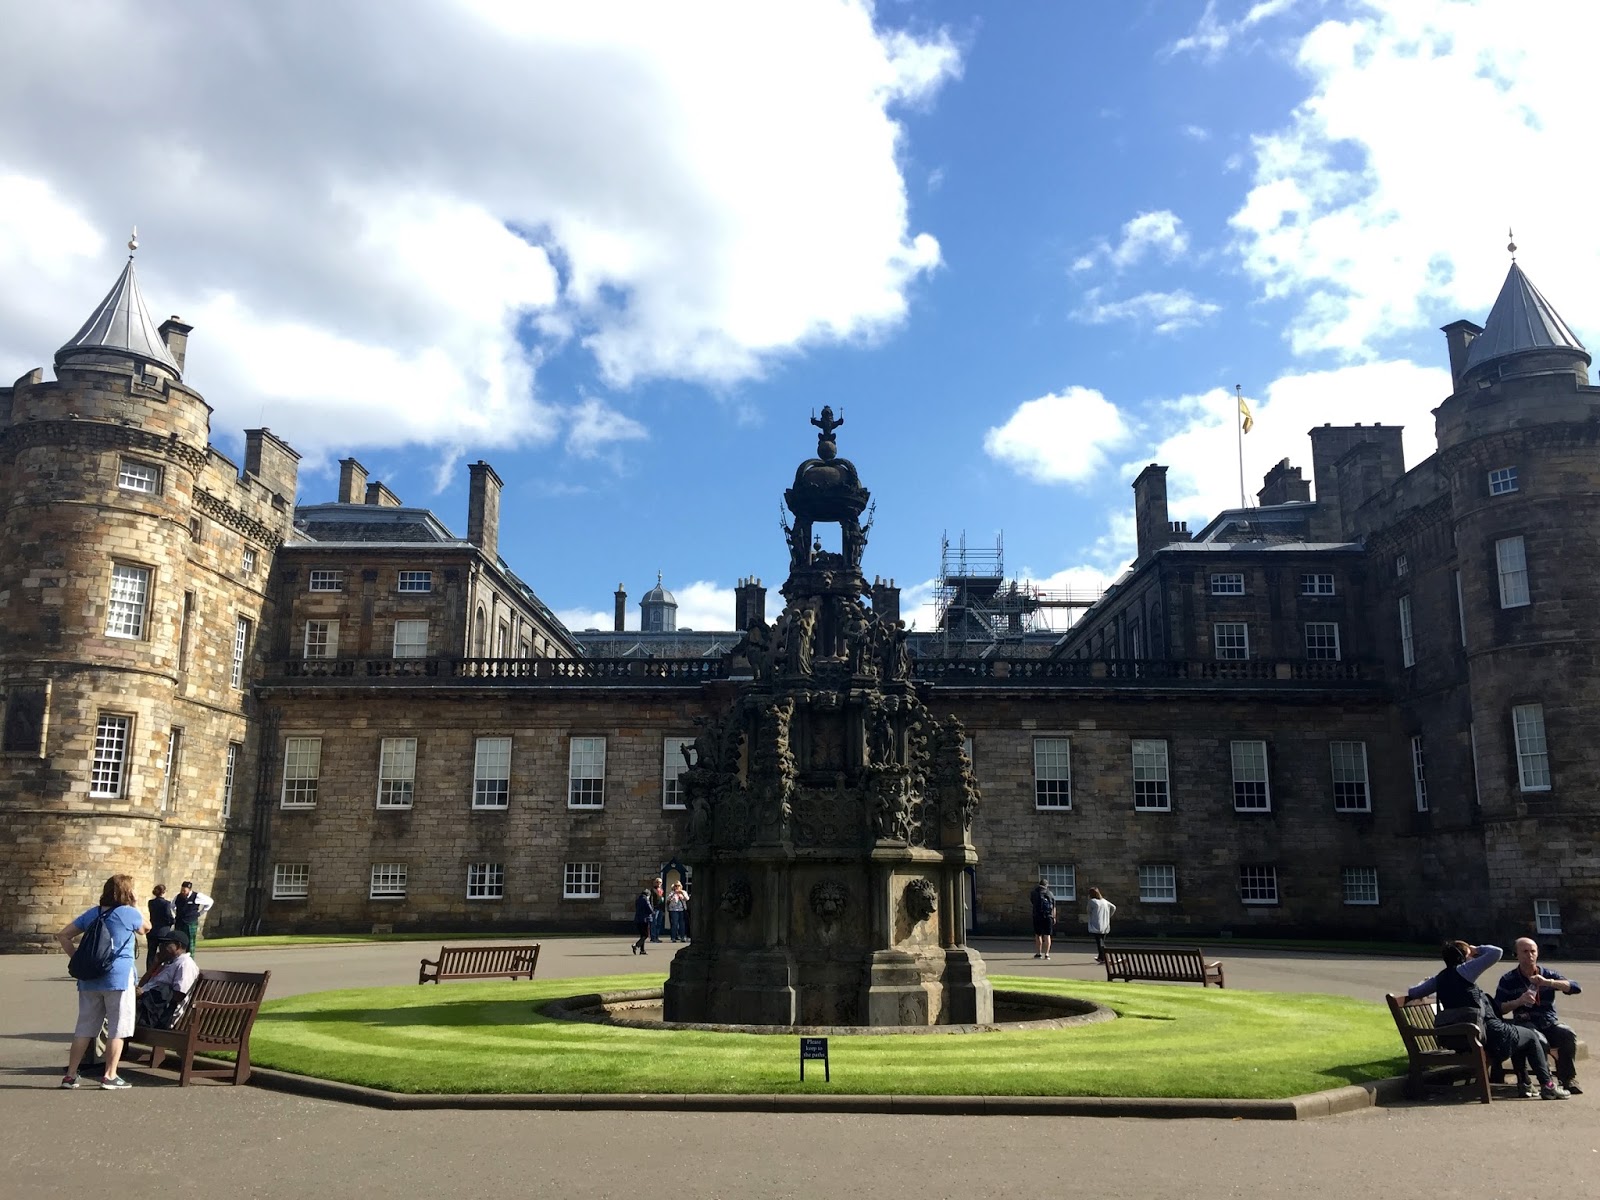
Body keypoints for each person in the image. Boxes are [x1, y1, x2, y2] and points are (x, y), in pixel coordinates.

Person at [1396, 940, 1568, 1099]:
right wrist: (1475, 949)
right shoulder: (1465, 970)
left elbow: (1413, 993)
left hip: (1459, 1037)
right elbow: (1496, 952)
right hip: (1488, 1035)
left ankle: (1526, 1084)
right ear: (1464, 956)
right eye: (1469, 954)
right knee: (1530, 1035)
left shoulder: (1439, 979)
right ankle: (1548, 1085)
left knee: (1520, 1032)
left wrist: (1422, 983)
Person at [56, 873, 150, 1090]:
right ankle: (110, 1075)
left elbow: (63, 935)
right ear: (128, 892)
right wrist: (136, 904)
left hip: (89, 979)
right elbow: (146, 928)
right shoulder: (127, 913)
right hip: (118, 977)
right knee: (118, 1028)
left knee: (85, 1028)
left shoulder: (93, 913)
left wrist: (79, 960)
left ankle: (70, 1075)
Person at [1494, 936, 1583, 1094]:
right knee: (1538, 1039)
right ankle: (1546, 1081)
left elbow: (1575, 987)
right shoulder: (1508, 979)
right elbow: (1498, 1008)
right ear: (1516, 954)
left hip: (1548, 1022)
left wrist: (1548, 982)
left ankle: (1568, 1078)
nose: (1529, 955)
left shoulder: (1547, 973)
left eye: (1533, 951)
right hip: (1525, 1024)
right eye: (1525, 951)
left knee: (1567, 1033)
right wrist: (1518, 1001)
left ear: (1537, 953)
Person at [137, 928, 200, 1029]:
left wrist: (145, 995)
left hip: (160, 1014)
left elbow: (178, 995)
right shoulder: (168, 963)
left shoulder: (185, 964)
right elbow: (142, 985)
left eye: (166, 944)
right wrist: (155, 964)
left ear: (178, 946)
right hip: (148, 1007)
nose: (161, 947)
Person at [173, 880, 211, 957]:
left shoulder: (197, 896)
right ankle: (178, 959)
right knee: (178, 941)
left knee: (191, 942)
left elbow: (210, 902)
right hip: (180, 922)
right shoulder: (178, 897)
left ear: (189, 890)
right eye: (182, 889)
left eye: (184, 890)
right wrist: (176, 914)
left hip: (191, 922)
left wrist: (200, 913)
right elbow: (172, 906)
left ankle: (190, 959)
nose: (182, 892)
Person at [146, 884, 175, 971]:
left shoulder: (151, 902)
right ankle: (162, 970)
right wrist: (173, 921)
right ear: (164, 892)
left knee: (151, 953)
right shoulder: (166, 903)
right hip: (163, 931)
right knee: (164, 953)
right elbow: (168, 916)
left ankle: (149, 970)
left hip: (153, 930)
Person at [1086, 887, 1117, 964]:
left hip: (1096, 924)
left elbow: (1088, 911)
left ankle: (1104, 957)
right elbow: (1113, 907)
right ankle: (1100, 957)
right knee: (1102, 940)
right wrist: (1108, 916)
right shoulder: (1104, 901)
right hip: (1105, 924)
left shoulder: (1092, 901)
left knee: (1100, 942)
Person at [1029, 876, 1055, 960]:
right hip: (1048, 916)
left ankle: (1038, 953)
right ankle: (1047, 954)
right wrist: (1054, 917)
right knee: (1047, 935)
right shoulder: (1050, 893)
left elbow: (1033, 902)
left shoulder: (1034, 893)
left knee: (1038, 935)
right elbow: (1054, 906)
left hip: (1037, 916)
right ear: (1046, 885)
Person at [631, 889, 654, 955]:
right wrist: (652, 912)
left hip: (638, 919)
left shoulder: (638, 900)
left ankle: (642, 950)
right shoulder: (646, 900)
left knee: (642, 935)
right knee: (646, 935)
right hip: (645, 919)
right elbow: (650, 909)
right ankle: (636, 945)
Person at [648, 877, 665, 943]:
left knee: (659, 923)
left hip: (660, 908)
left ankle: (657, 937)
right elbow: (651, 900)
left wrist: (663, 910)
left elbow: (662, 900)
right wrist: (652, 909)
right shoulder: (652, 890)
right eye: (657, 882)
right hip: (655, 908)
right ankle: (653, 937)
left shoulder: (662, 890)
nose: (658, 883)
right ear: (655, 883)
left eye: (660, 882)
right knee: (654, 923)